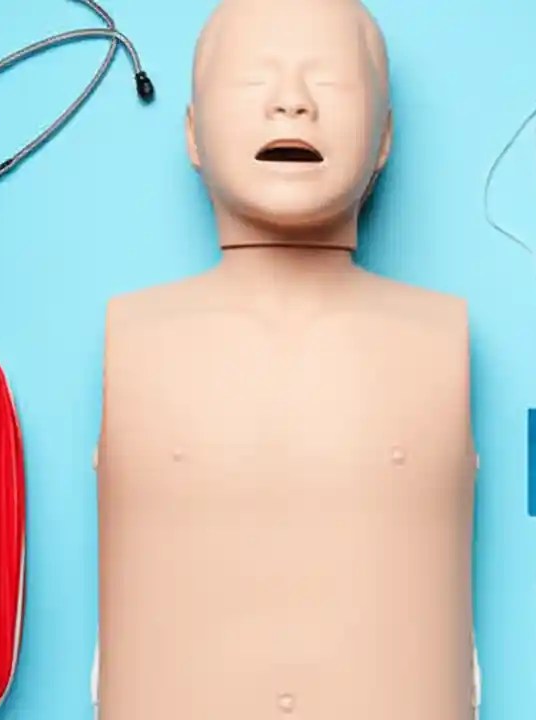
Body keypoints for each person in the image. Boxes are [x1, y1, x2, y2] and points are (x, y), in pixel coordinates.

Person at [95, 0, 478, 716]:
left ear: (386, 137)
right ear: (192, 135)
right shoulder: (135, 330)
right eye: (252, 81)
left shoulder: (438, 332)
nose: (292, 104)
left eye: (330, 82)